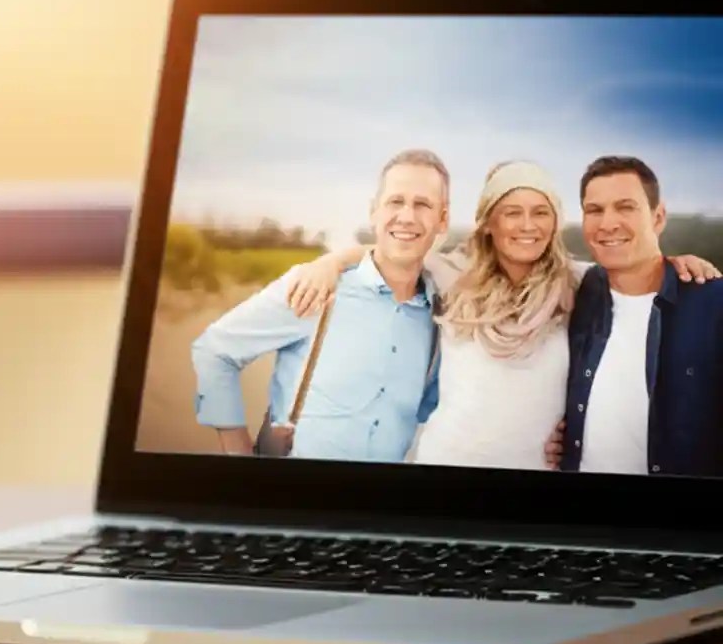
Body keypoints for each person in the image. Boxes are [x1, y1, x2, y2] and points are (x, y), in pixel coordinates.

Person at [286, 160, 720, 470]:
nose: (527, 225)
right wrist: (330, 262)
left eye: (541, 213)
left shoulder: (576, 282)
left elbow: (634, 269)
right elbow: (391, 253)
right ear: (489, 223)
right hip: (444, 470)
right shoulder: (453, 274)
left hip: (534, 482)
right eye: (512, 212)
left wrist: (677, 264)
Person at [190, 148, 445, 460]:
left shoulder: (440, 318)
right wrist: (237, 455)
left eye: (423, 204)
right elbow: (215, 350)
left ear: (443, 220)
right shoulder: (315, 288)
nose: (407, 216)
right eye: (395, 201)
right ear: (373, 211)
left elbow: (425, 412)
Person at [552, 156, 723, 477]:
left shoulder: (713, 304)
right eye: (594, 210)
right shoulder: (577, 292)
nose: (608, 223)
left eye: (625, 207)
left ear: (658, 217)